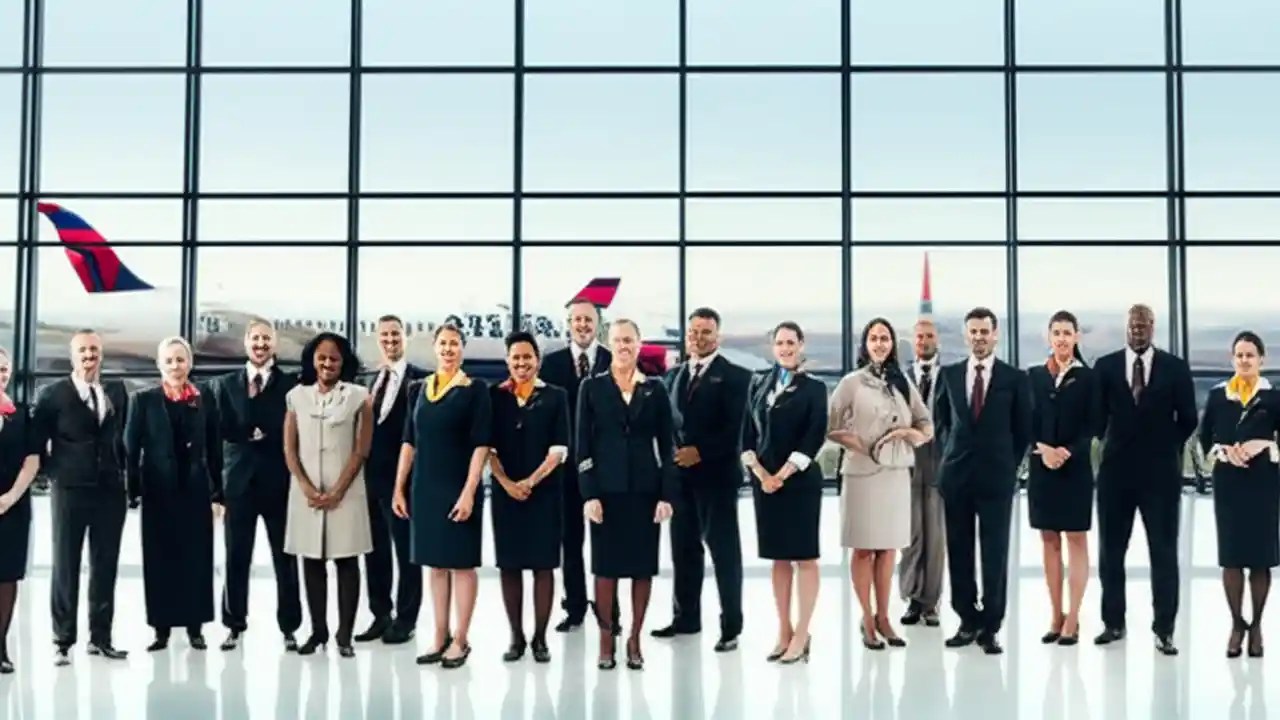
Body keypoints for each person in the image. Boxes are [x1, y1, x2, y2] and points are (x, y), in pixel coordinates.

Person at [1093, 304, 1196, 656]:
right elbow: (1095, 417)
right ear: (1126, 327)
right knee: (1110, 553)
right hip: (1115, 474)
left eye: (1143, 325)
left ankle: (1164, 629)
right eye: (1133, 325)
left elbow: (1189, 419)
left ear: (1153, 328)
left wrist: (1165, 446)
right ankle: (1113, 623)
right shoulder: (1105, 366)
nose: (1137, 330)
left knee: (1164, 553)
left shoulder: (1175, 367)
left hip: (1160, 475)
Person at [577, 319, 678, 670]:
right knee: (605, 570)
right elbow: (582, 446)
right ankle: (606, 639)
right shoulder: (591, 388)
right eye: (617, 340)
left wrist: (667, 495)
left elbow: (668, 447)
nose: (623, 346)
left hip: (645, 493)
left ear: (638, 345)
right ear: (609, 343)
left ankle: (635, 637)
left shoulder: (655, 389)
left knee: (641, 569)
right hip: (605, 493)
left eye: (629, 340)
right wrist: (589, 494)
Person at [827, 318, 932, 651]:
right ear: (865, 344)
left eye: (885, 338)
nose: (879, 343)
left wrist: (908, 435)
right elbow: (830, 427)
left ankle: (885, 616)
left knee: (888, 549)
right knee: (863, 549)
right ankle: (867, 618)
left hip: (895, 474)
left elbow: (926, 424)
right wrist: (864, 445)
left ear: (892, 344)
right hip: (860, 474)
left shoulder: (902, 383)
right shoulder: (851, 383)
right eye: (874, 338)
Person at [931, 307, 1032, 655]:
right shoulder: (949, 374)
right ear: (965, 335)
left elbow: (1023, 431)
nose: (979, 337)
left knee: (994, 554)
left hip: (996, 478)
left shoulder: (1015, 378)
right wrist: (951, 458)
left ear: (995, 334)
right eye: (973, 331)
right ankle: (966, 620)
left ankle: (991, 626)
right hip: (957, 477)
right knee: (959, 552)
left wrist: (1008, 465)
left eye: (984, 331)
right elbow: (941, 424)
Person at [393, 323, 491, 669]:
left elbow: (481, 445)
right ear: (434, 348)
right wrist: (398, 487)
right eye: (443, 344)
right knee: (434, 564)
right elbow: (409, 441)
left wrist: (469, 492)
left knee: (461, 564)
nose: (448, 349)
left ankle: (461, 639)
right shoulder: (419, 389)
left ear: (462, 348)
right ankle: (439, 635)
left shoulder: (475, 389)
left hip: (458, 485)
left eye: (454, 344)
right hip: (425, 486)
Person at [654, 307, 751, 653]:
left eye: (706, 332)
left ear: (718, 336)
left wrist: (701, 451)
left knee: (724, 553)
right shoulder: (673, 376)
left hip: (717, 478)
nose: (698, 337)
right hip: (680, 479)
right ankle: (686, 618)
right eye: (693, 331)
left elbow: (736, 430)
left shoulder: (738, 377)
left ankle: (730, 627)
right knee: (683, 551)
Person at [33, 329, 132, 666]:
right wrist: (55, 473)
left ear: (101, 354)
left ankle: (100, 638)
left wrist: (125, 478)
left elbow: (123, 441)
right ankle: (63, 641)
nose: (89, 355)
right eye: (83, 351)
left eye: (94, 350)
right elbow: (37, 443)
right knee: (66, 564)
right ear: (72, 356)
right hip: (70, 491)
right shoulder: (52, 395)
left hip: (109, 491)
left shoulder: (115, 392)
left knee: (105, 565)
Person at [211, 319, 303, 652]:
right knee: (236, 557)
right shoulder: (225, 385)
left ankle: (290, 627)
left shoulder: (291, 386)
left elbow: (295, 432)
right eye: (255, 338)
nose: (261, 344)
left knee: (285, 559)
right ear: (246, 343)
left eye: (266, 339)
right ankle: (234, 625)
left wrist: (266, 434)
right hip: (237, 485)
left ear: (274, 344)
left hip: (279, 484)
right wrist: (216, 492)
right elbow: (218, 431)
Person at [124, 337, 221, 652]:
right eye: (169, 361)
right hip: (158, 491)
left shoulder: (204, 398)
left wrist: (218, 493)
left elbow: (215, 448)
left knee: (197, 558)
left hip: (195, 491)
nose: (175, 366)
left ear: (189, 363)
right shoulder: (143, 400)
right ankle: (161, 629)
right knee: (159, 558)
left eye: (181, 360)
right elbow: (130, 448)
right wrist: (133, 490)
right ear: (159, 365)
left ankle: (196, 627)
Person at [283, 332, 374, 658]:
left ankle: (344, 635)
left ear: (343, 362)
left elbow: (361, 450)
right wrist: (307, 486)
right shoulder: (296, 396)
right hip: (306, 493)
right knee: (311, 562)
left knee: (347, 563)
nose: (327, 363)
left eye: (334, 358)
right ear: (312, 360)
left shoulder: (360, 396)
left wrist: (337, 491)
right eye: (321, 357)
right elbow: (289, 449)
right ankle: (317, 631)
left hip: (346, 494)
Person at [741, 322, 827, 664]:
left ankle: (803, 633)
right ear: (772, 347)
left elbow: (814, 435)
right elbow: (746, 434)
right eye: (779, 343)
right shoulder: (758, 384)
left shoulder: (815, 388)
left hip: (800, 483)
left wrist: (782, 474)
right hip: (766, 484)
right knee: (778, 557)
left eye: (791, 342)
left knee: (804, 556)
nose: (785, 348)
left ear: (801, 345)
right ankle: (784, 630)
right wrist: (762, 474)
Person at [488, 331, 571, 663]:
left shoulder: (556, 396)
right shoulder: (495, 397)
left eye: (527, 357)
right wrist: (507, 483)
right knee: (509, 565)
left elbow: (559, 450)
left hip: (545, 492)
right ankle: (516, 637)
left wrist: (530, 482)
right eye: (516, 357)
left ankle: (539, 638)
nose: (522, 363)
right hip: (505, 494)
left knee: (543, 565)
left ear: (538, 360)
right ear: (508, 360)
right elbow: (486, 448)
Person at [1197, 331, 1279, 658]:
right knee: (1231, 558)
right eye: (1239, 355)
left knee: (1260, 559)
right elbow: (1205, 439)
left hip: (1264, 484)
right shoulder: (1219, 396)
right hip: (1229, 483)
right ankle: (1236, 624)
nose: (1244, 360)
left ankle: (1256, 626)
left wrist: (1265, 444)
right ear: (1232, 359)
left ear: (1262, 360)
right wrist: (1222, 450)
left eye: (1250, 355)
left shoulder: (1274, 397)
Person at [538, 297, 612, 632]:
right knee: (570, 542)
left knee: (609, 541)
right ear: (568, 323)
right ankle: (576, 607)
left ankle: (610, 610)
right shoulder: (551, 364)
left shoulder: (613, 360)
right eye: (576, 320)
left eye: (588, 319)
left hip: (607, 467)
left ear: (599, 323)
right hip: (566, 469)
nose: (583, 325)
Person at [355, 315, 428, 645]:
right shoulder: (369, 380)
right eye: (384, 335)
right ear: (377, 339)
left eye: (395, 334)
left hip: (404, 484)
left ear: (405, 336)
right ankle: (380, 614)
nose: (390, 340)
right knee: (375, 552)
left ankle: (407, 617)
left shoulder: (420, 383)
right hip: (369, 482)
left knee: (406, 553)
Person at [1026, 311, 1096, 647]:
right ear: (1048, 336)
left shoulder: (1089, 379)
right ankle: (1055, 614)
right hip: (1042, 467)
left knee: (1076, 540)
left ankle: (1073, 617)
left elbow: (1095, 425)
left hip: (1075, 467)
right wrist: (1042, 449)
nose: (1062, 339)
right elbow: (1024, 421)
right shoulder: (1034, 376)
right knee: (1049, 540)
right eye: (1056, 332)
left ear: (1077, 337)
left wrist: (1065, 451)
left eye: (1068, 332)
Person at [900, 317, 945, 628]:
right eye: (919, 337)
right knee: (910, 533)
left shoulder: (949, 377)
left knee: (936, 535)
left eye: (929, 336)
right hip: (907, 463)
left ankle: (931, 603)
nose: (924, 342)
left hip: (940, 463)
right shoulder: (901, 380)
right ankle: (911, 598)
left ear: (937, 341)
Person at [0, 346, 41, 674]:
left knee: (7, 577)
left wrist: (10, 497)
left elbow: (32, 458)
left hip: (12, 506)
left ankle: (0, 647)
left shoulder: (22, 412)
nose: (0, 373)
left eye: (3, 369)